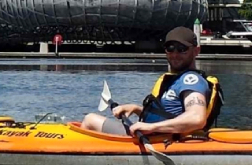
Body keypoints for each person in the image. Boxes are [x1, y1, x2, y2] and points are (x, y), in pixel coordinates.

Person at [81, 26, 220, 138]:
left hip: (159, 139)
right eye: (170, 49)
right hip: (154, 135)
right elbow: (167, 115)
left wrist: (150, 127)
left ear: (196, 51)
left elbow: (196, 118)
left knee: (89, 120)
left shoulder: (191, 81)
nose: (175, 54)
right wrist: (136, 109)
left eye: (182, 49)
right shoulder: (174, 80)